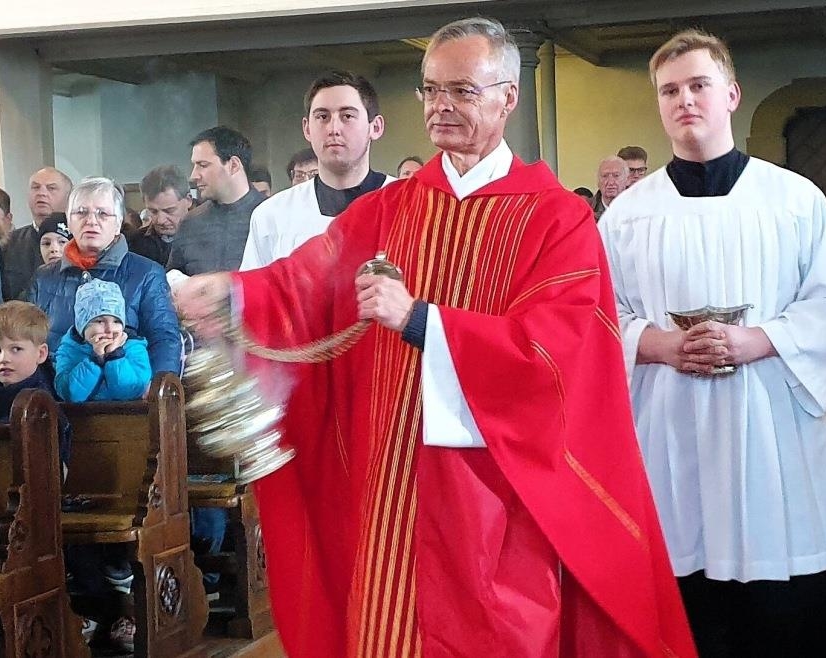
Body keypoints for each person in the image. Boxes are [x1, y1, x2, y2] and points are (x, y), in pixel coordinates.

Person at [176, 17, 693, 658]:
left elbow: (562, 352)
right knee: (389, 622)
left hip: (495, 480)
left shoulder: (555, 216)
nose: (441, 106)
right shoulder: (392, 206)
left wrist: (423, 321)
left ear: (508, 97)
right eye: (429, 90)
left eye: (462, 91)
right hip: (392, 473)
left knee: (495, 628)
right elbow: (307, 281)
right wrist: (235, 293)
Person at [598, 28, 826, 657]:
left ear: (731, 95)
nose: (684, 100)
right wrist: (658, 344)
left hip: (774, 425)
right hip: (671, 429)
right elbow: (595, 315)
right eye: (670, 90)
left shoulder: (793, 199)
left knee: (789, 612)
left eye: (698, 85)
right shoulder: (629, 215)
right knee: (687, 600)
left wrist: (760, 338)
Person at [26, 177, 179, 376]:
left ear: (117, 225)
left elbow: (164, 339)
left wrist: (158, 388)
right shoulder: (44, 277)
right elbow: (26, 338)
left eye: (103, 214)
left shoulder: (147, 274)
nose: (91, 220)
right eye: (81, 212)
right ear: (69, 221)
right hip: (51, 397)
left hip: (126, 398)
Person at [240, 71, 392, 270]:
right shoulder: (272, 216)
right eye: (322, 117)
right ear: (307, 129)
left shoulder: (409, 207)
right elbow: (257, 296)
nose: (333, 128)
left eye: (347, 116)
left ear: (376, 127)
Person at [166, 126, 264, 276]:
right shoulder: (190, 223)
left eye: (203, 165)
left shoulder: (272, 216)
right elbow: (173, 279)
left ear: (233, 165)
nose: (193, 175)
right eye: (194, 165)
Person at [0, 300, 71, 469]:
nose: (4, 358)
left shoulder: (42, 405)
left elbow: (54, 471)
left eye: (16, 349)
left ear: (41, 353)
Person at [54, 278, 152, 403]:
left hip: (128, 418)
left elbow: (131, 391)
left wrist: (115, 355)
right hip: (81, 419)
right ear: (82, 325)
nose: (109, 329)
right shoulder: (69, 349)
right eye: (99, 321)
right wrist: (95, 360)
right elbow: (71, 394)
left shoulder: (134, 346)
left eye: (116, 321)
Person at [4, 167, 72, 301]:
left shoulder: (80, 242)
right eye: (35, 187)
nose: (41, 193)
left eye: (51, 188)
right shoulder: (8, 242)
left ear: (69, 197)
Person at [128, 165, 192, 268]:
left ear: (188, 200)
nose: (160, 220)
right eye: (153, 211)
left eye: (169, 211)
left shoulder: (209, 238)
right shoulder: (133, 243)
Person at [589, 156, 628, 221]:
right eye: (605, 176)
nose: (610, 182)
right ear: (598, 182)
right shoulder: (586, 210)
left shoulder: (639, 209)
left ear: (626, 180)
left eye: (616, 175)